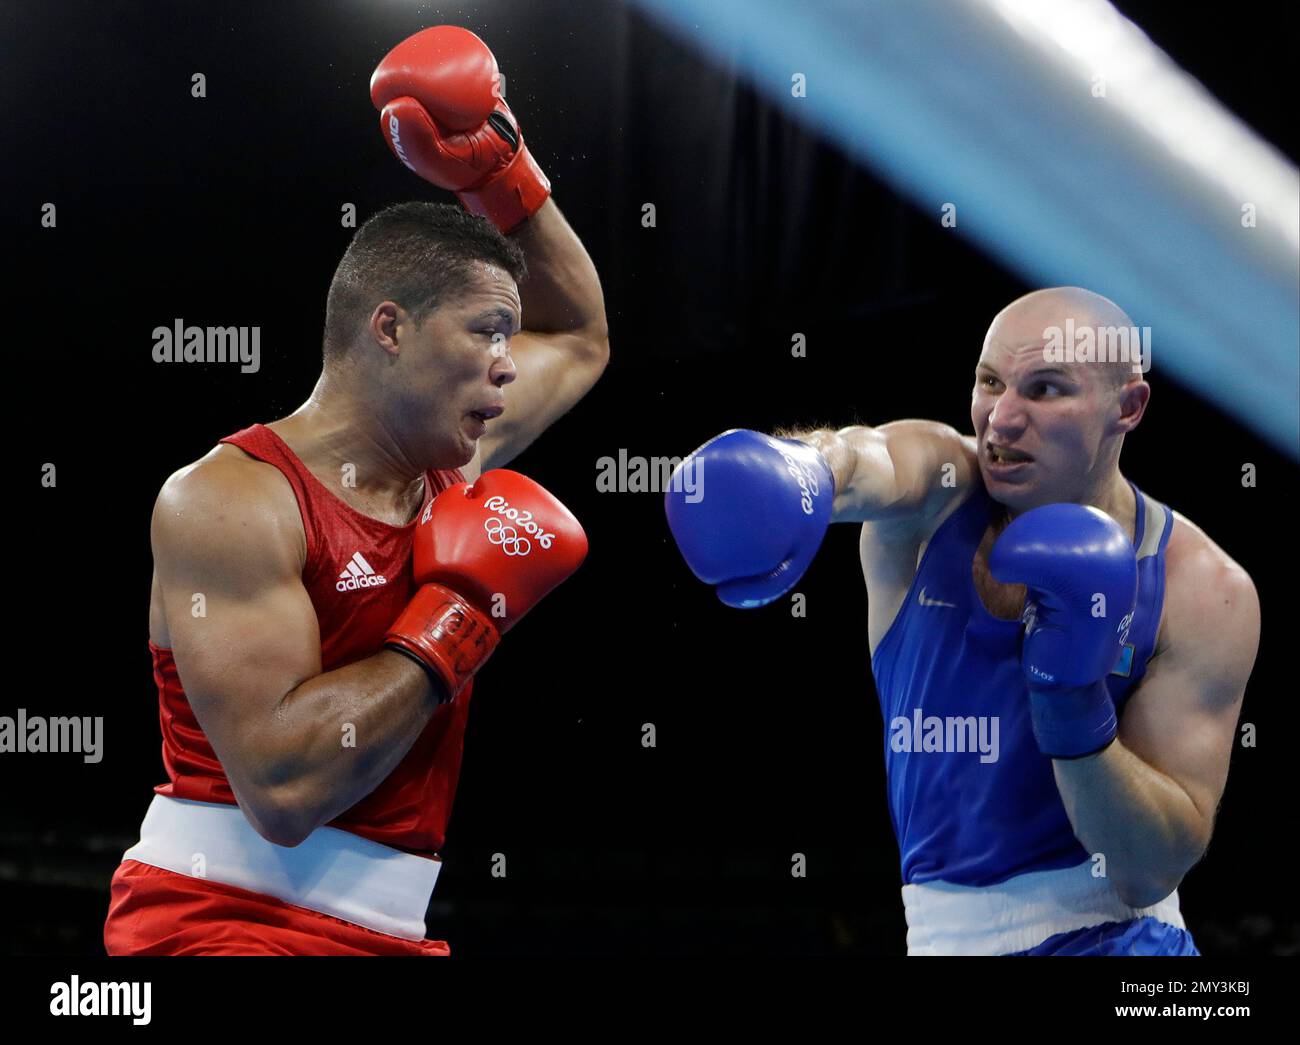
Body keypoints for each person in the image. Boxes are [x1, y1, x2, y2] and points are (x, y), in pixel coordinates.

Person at [105, 26, 609, 955]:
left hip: (384, 931)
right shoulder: (228, 500)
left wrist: (500, 168)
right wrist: (458, 618)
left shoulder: (449, 459)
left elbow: (580, 334)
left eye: (509, 338)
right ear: (391, 329)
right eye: (486, 333)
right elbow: (285, 790)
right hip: (217, 923)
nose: (507, 367)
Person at [666, 286, 1259, 955]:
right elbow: (872, 458)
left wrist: (1072, 708)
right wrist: (805, 468)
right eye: (990, 382)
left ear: (1127, 407)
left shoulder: (1203, 588)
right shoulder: (940, 495)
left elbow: (1150, 864)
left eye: (1044, 390)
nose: (1001, 419)